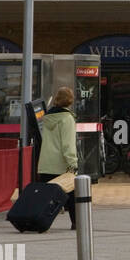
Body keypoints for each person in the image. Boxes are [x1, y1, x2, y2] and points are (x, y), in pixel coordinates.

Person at [38, 86, 79, 229]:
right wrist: (73, 163)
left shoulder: (47, 117)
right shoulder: (67, 119)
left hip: (45, 163)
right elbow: (68, 144)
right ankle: (76, 223)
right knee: (72, 195)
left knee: (45, 197)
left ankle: (39, 221)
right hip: (61, 165)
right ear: (70, 101)